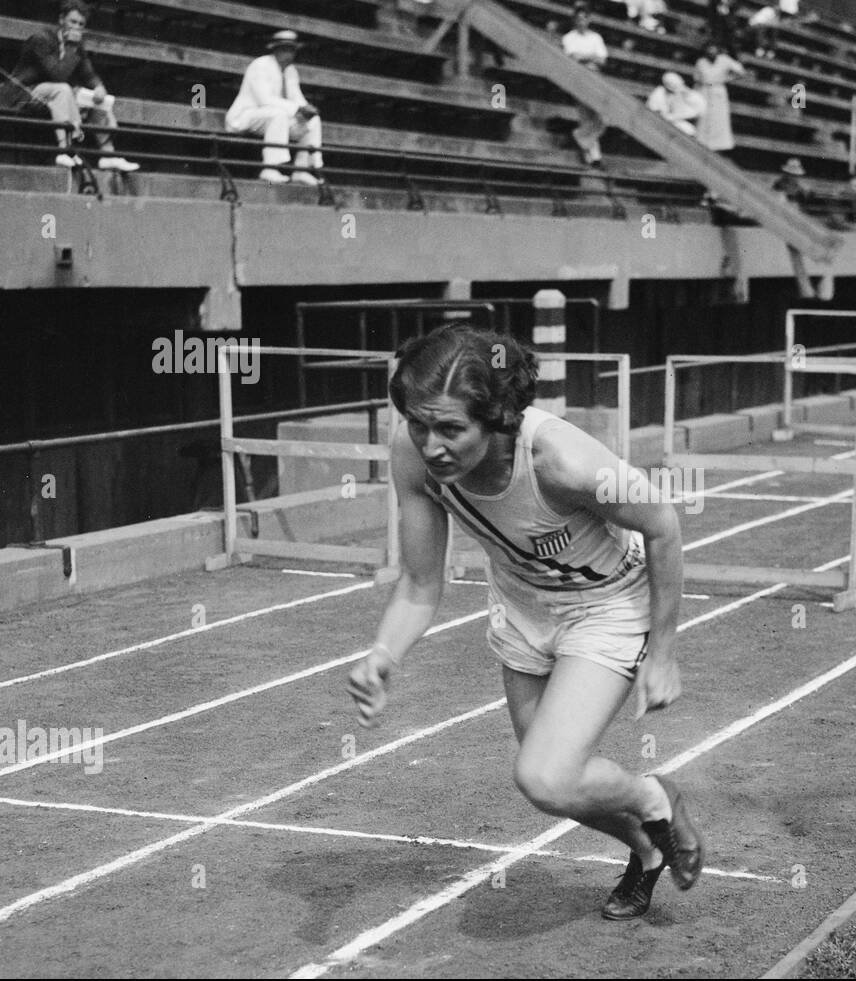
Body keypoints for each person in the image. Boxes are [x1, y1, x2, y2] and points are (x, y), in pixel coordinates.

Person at [346, 325, 703, 921]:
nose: (431, 444)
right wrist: (385, 652)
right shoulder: (415, 456)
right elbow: (420, 582)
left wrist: (662, 652)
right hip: (521, 606)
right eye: (418, 424)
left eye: (451, 429)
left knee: (544, 775)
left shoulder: (564, 462)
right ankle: (645, 849)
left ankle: (655, 796)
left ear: (499, 418)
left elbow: (662, 523)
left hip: (607, 605)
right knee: (559, 787)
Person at [0, 1, 139, 171]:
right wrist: (72, 48)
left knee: (101, 101)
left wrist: (99, 88)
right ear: (61, 20)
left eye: (81, 24)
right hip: (22, 95)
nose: (76, 27)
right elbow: (57, 74)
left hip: (52, 96)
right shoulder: (41, 40)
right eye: (72, 22)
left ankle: (108, 156)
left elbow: (89, 74)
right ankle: (64, 151)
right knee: (63, 89)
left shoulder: (76, 46)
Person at [226, 30, 324, 186]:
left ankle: (301, 170)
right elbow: (264, 100)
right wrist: (296, 108)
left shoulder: (291, 71)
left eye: (291, 50)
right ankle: (270, 169)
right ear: (275, 49)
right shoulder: (260, 65)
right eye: (285, 49)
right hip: (247, 115)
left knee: (313, 121)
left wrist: (306, 109)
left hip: (275, 118)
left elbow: (296, 98)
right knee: (278, 114)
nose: (289, 54)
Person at [562, 7, 609, 166]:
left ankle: (578, 136)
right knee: (585, 117)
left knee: (600, 118)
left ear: (589, 20)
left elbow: (602, 60)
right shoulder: (569, 37)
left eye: (584, 18)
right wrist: (592, 57)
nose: (581, 21)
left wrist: (585, 57)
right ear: (574, 20)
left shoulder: (596, 37)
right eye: (578, 18)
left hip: (595, 77)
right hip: (578, 77)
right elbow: (573, 57)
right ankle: (594, 158)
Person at [694, 42, 745, 153]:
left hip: (718, 90)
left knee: (718, 117)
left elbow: (740, 71)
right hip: (704, 90)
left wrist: (728, 78)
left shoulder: (724, 59)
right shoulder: (701, 62)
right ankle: (702, 143)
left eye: (714, 49)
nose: (711, 52)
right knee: (704, 117)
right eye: (709, 50)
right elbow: (697, 78)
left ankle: (718, 145)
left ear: (718, 50)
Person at [646, 71, 704, 137]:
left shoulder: (684, 94)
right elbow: (656, 112)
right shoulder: (659, 92)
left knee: (689, 130)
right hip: (658, 123)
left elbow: (698, 109)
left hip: (674, 122)